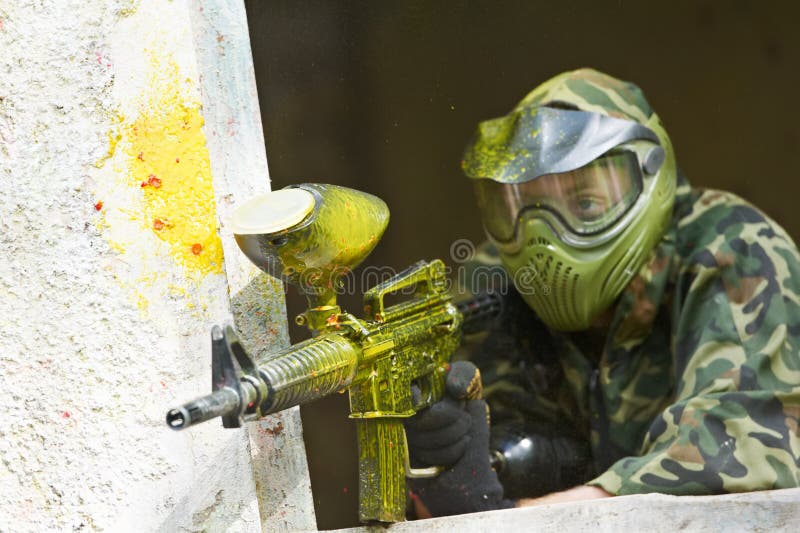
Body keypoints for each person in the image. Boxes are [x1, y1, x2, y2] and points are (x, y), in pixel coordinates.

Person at [404, 68, 800, 518]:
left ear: (653, 179)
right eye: (525, 207)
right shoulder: (493, 283)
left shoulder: (730, 246)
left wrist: (523, 520)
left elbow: (745, 448)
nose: (544, 238)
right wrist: (441, 478)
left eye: (586, 203)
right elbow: (462, 493)